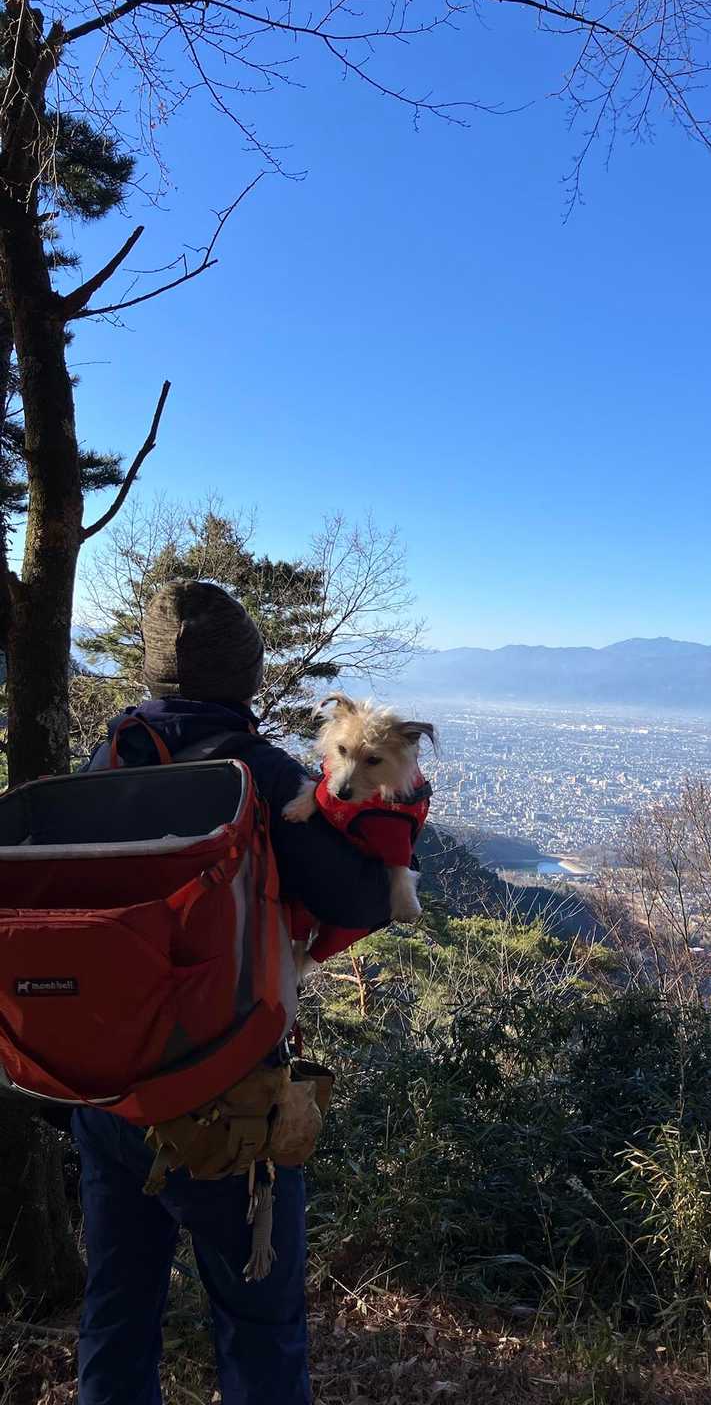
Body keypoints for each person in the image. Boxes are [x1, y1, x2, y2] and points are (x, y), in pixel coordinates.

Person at [73, 580, 392, 1405]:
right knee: (259, 1326)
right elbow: (361, 899)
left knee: (115, 1314)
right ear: (246, 679)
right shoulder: (256, 773)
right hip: (230, 1099)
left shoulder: (100, 766)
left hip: (107, 1091)